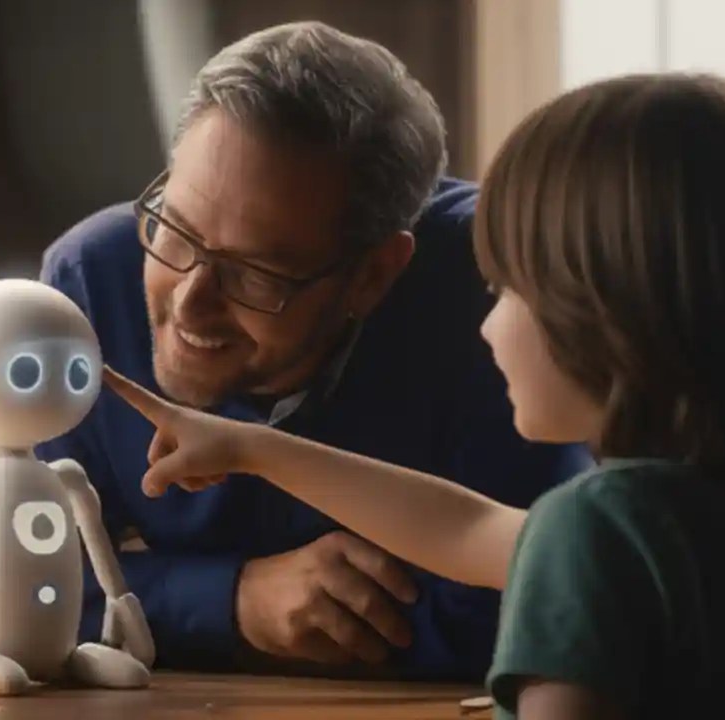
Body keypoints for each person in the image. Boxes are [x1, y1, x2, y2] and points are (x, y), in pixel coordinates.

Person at [101, 71, 725, 719]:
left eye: (507, 290)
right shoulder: (682, 515)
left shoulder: (591, 532)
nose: (486, 324)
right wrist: (255, 449)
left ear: (605, 318)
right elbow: (461, 526)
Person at [35, 21, 590, 678]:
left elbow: (539, 607)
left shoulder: (499, 299)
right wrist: (233, 601)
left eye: (254, 273)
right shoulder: (88, 285)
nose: (188, 303)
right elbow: (34, 584)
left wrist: (160, 596)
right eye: (175, 229)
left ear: (374, 273)